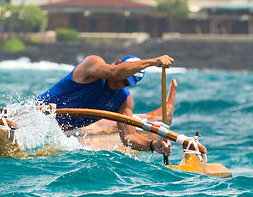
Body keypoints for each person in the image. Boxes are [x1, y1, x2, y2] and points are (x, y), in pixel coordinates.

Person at [37, 53, 176, 155]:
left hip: (58, 133)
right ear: (117, 63)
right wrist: (153, 62)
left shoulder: (124, 100)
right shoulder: (92, 65)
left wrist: (153, 145)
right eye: (122, 77)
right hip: (36, 116)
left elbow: (129, 137)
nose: (120, 83)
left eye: (126, 82)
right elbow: (113, 73)